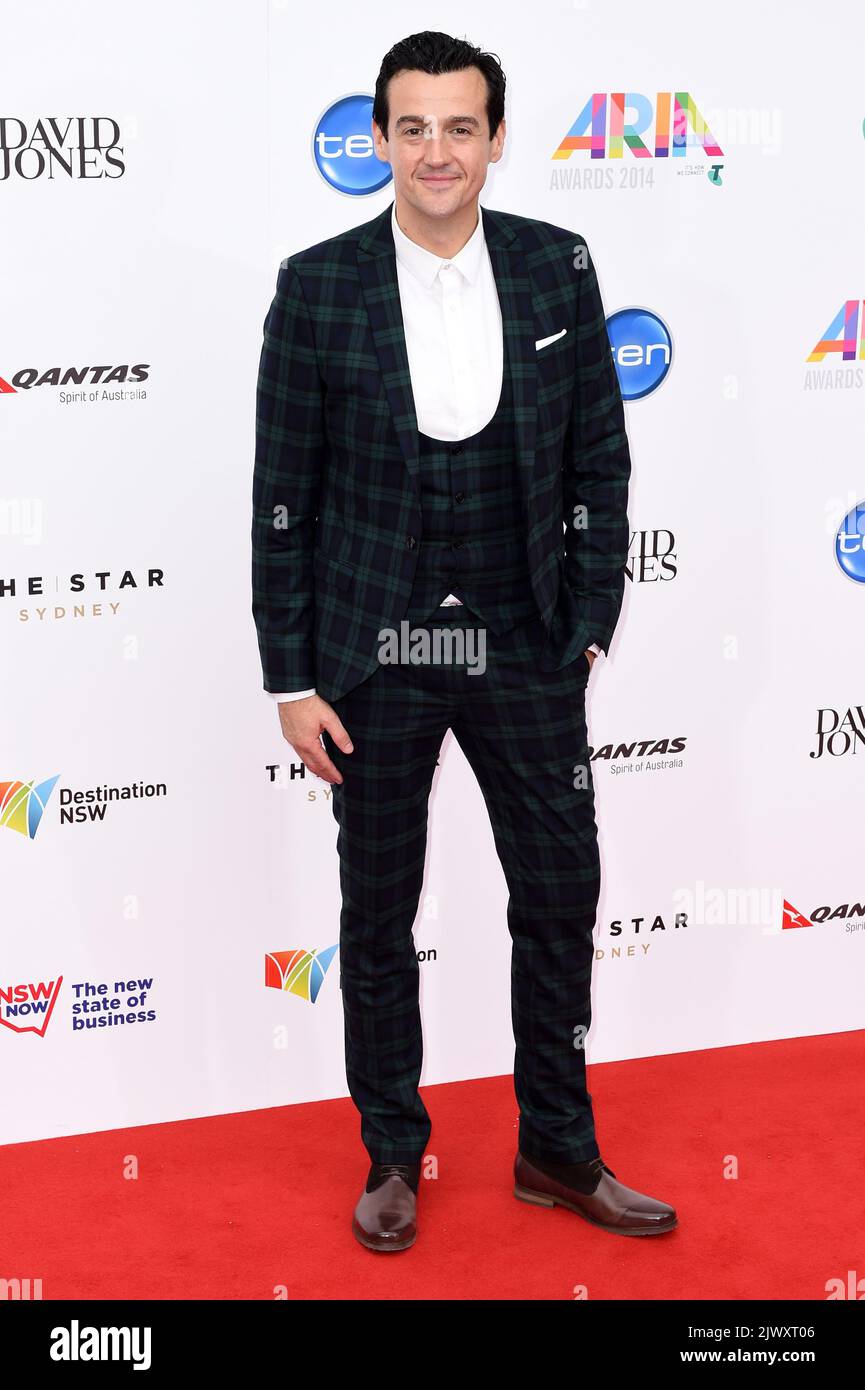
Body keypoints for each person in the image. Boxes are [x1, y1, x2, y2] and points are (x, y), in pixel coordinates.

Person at [252, 29, 676, 1251]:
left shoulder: (555, 268)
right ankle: (394, 1151)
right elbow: (284, 496)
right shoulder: (319, 283)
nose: (436, 151)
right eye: (413, 127)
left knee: (559, 894)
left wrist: (588, 622)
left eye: (459, 126)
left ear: (494, 139)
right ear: (378, 139)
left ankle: (556, 1146)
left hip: (523, 638)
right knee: (377, 913)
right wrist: (291, 676)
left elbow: (601, 454)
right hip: (373, 651)